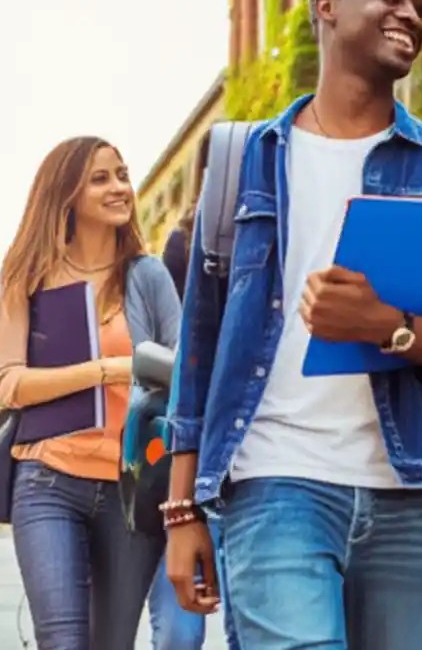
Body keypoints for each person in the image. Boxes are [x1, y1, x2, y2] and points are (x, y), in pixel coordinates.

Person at [163, 0, 422, 649]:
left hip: (405, 491)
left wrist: (391, 325)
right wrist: (181, 509)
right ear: (327, 8)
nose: (410, 13)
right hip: (273, 482)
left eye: (419, 4)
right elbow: (197, 348)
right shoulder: (244, 159)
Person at [0, 136, 180, 650]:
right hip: (47, 480)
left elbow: (187, 378)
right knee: (63, 640)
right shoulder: (29, 275)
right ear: (66, 194)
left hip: (129, 487)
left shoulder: (148, 275)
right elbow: (7, 382)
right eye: (101, 178)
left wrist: (146, 371)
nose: (120, 187)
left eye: (122, 174)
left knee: (111, 643)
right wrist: (105, 370)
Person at [147, 132, 235, 650]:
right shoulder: (185, 241)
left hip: (245, 441)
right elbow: (186, 346)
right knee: (185, 611)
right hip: (199, 432)